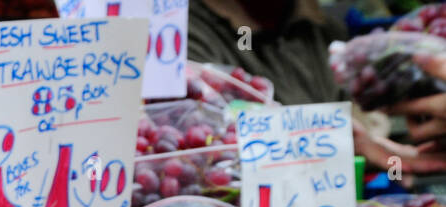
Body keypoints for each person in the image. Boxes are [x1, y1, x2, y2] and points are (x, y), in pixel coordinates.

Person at [189, 0, 446, 178]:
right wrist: (333, 138)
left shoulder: (323, 31)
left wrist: (358, 143)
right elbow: (203, 136)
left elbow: (355, 120)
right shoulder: (186, 29)